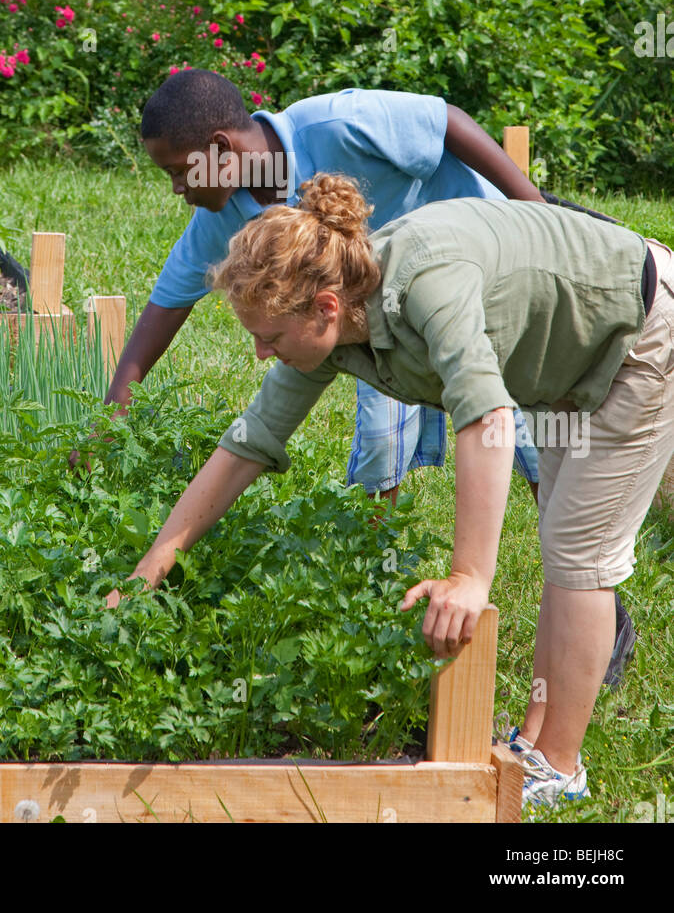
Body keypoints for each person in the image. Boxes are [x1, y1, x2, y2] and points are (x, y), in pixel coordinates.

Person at [105, 173, 673, 807]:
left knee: (580, 556)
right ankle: (532, 746)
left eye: (269, 337)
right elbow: (248, 445)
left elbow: (486, 420)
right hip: (568, 357)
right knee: (563, 544)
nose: (260, 354)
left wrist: (468, 577)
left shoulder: (428, 287)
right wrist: (149, 569)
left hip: (636, 333)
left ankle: (559, 768)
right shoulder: (327, 328)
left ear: (324, 307)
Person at [93, 68, 635, 691]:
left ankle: (592, 608)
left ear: (218, 150)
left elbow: (446, 123)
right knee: (382, 452)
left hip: (489, 296)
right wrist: (115, 421)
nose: (175, 190)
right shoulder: (229, 221)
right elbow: (175, 317)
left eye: (177, 172)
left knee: (543, 454)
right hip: (371, 333)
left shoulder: (334, 124)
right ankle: (376, 584)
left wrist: (532, 211)